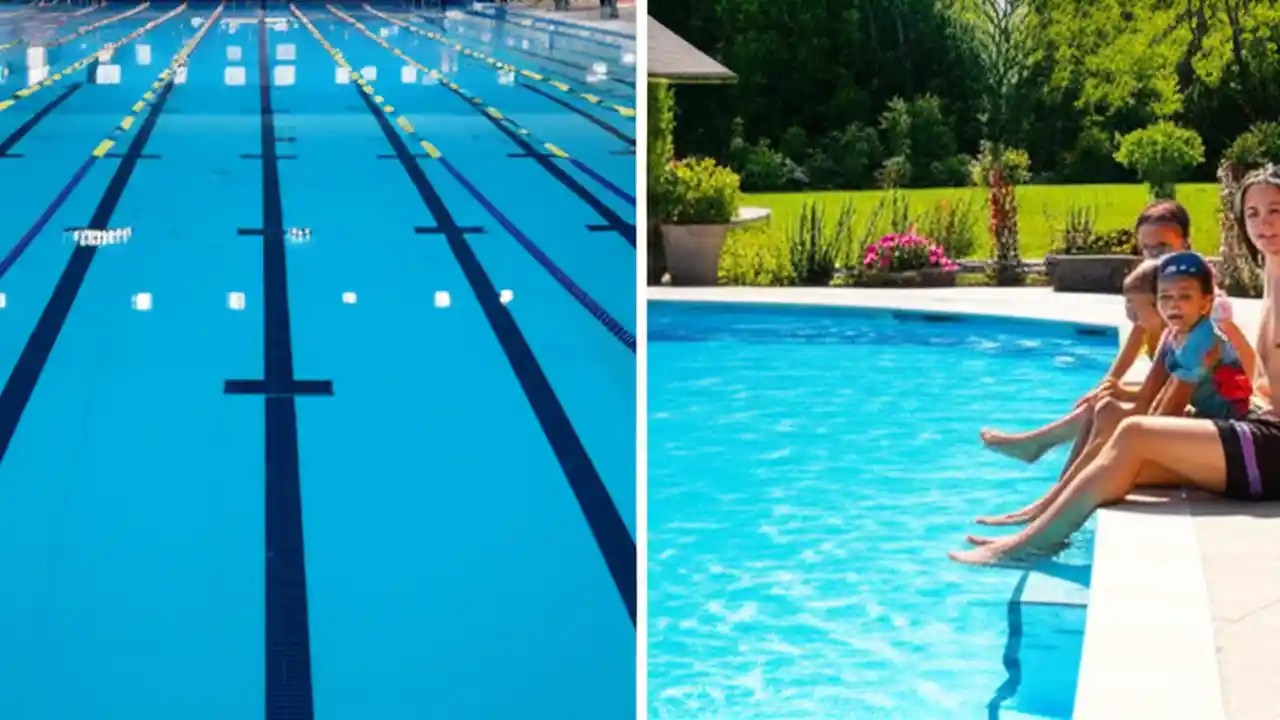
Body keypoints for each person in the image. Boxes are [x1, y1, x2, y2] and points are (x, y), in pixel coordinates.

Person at [950, 165, 1280, 566]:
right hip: (1255, 428)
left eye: (1275, 210)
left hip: (1268, 445)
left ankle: (1026, 546)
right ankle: (1040, 527)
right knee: (1115, 440)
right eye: (1253, 213)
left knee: (1135, 433)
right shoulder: (1269, 276)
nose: (1264, 224)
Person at [971, 251, 1256, 532]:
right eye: (1166, 297)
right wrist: (1112, 401)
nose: (1173, 305)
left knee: (1111, 423)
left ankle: (1049, 503)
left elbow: (1159, 420)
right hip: (1200, 418)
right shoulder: (1173, 334)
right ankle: (1053, 497)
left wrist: (1117, 422)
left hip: (1223, 439)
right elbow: (1149, 397)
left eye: (1185, 297)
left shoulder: (1201, 342)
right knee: (1106, 407)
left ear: (1206, 303)